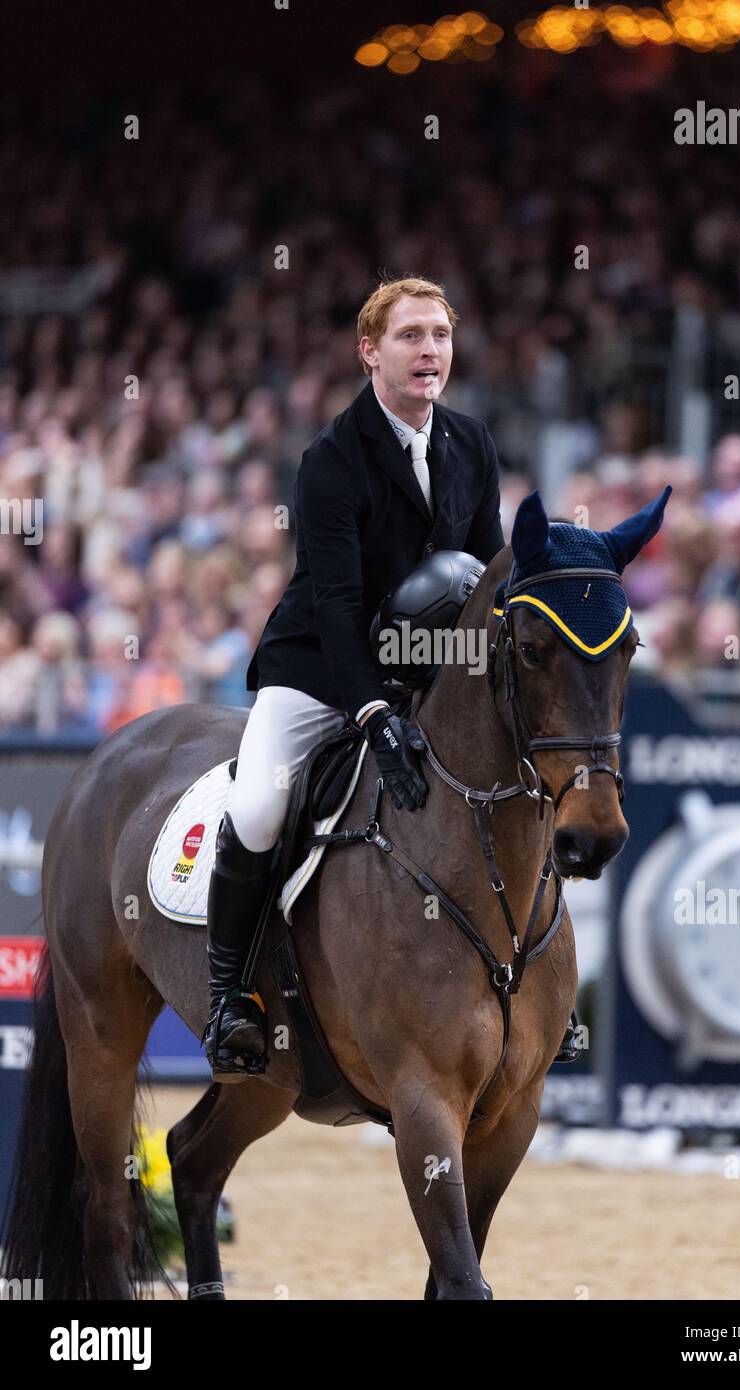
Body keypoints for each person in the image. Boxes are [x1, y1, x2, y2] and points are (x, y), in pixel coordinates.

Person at [203, 275, 508, 1080]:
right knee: (260, 804)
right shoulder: (332, 458)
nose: (430, 350)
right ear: (369, 351)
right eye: (411, 336)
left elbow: (486, 580)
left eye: (441, 335)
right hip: (317, 668)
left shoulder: (472, 443)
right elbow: (338, 606)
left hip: (427, 668)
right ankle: (229, 996)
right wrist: (372, 710)